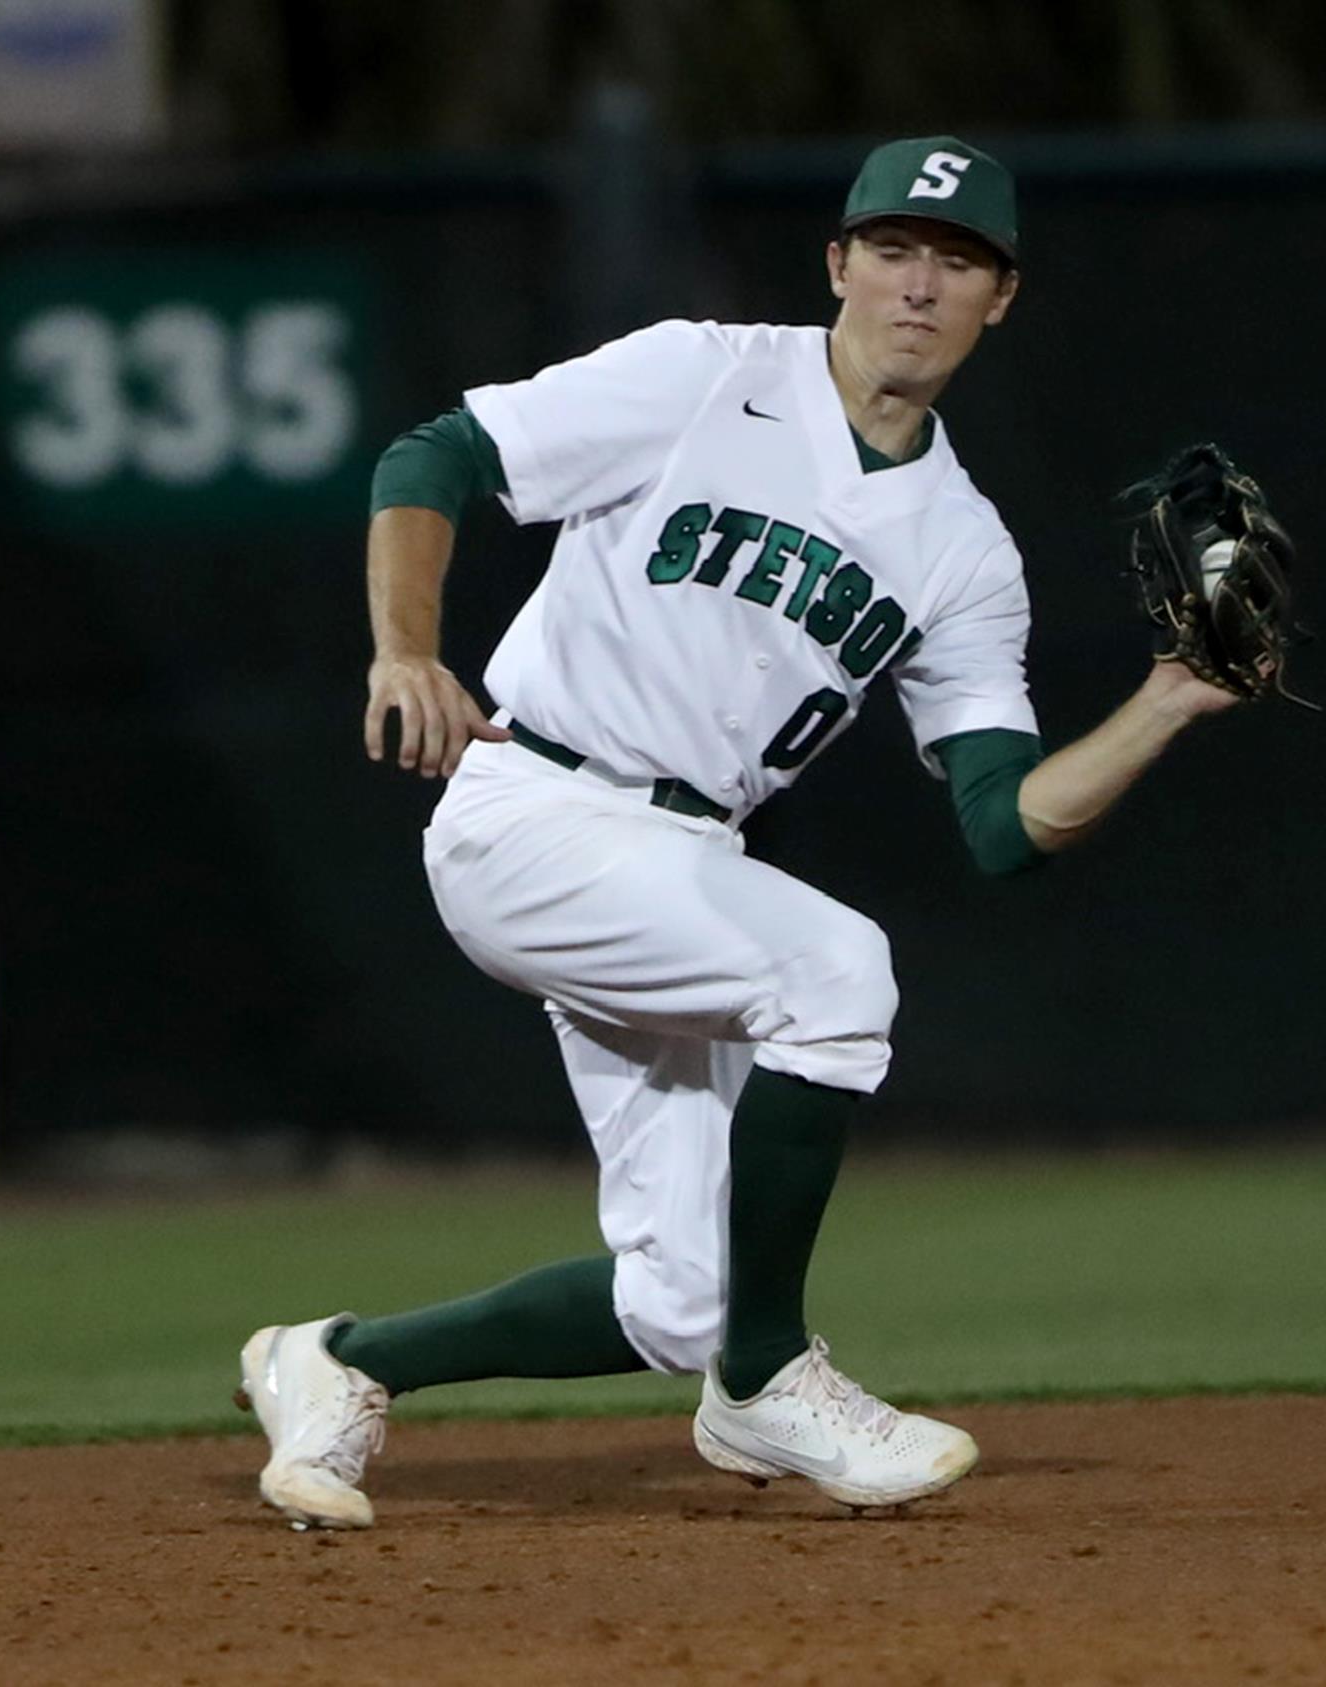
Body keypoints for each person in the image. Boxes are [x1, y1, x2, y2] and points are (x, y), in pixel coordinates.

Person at [235, 135, 1241, 1530]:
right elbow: (438, 452)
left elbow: (1007, 826)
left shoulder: (963, 551)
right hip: (533, 801)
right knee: (836, 974)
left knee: (678, 1296)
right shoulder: (705, 373)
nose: (917, 284)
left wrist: (1171, 699)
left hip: (680, 863)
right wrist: (404, 651)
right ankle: (770, 1382)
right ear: (838, 265)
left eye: (957, 263)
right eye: (892, 249)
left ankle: (338, 1361)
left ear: (999, 300)